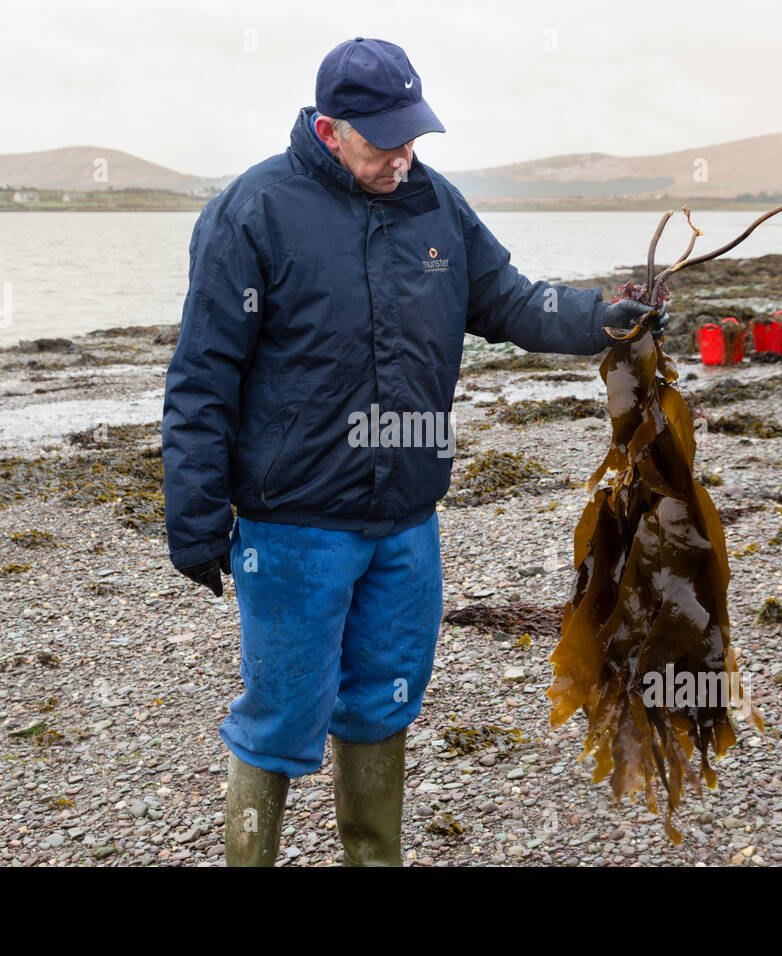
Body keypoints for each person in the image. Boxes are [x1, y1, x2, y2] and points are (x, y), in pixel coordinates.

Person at [161, 36, 664, 866]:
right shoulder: (253, 210)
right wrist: (196, 514)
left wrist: (604, 318)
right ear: (330, 129)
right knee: (280, 717)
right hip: (295, 524)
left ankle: (374, 860)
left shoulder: (435, 204)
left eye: (412, 134)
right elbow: (203, 374)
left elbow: (510, 300)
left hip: (406, 519)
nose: (402, 154)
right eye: (383, 138)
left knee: (385, 702)